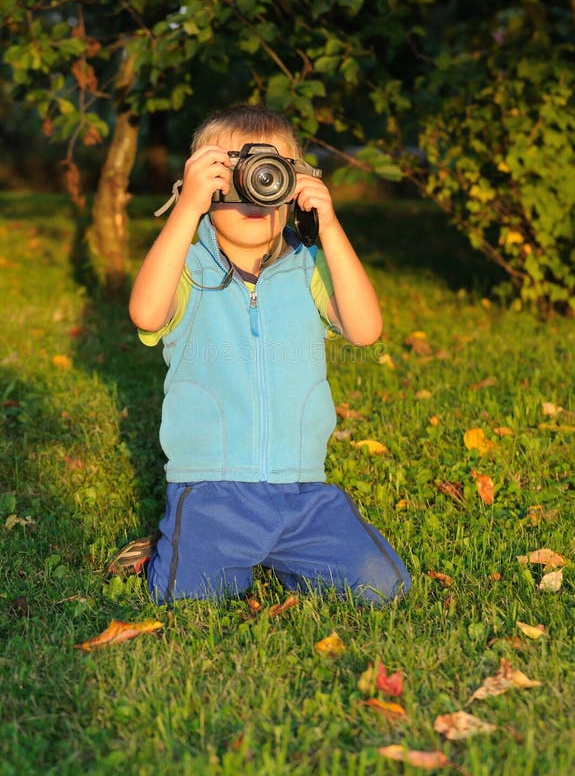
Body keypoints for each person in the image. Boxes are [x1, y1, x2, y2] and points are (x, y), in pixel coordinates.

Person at [114, 103, 410, 605]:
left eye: (271, 172)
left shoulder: (308, 266)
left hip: (304, 493)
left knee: (384, 587)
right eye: (233, 173)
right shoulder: (186, 265)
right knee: (189, 599)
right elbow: (145, 312)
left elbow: (365, 331)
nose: (254, 190)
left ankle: (281, 554)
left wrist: (329, 227)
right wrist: (187, 210)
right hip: (212, 491)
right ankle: (163, 550)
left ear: (294, 185)